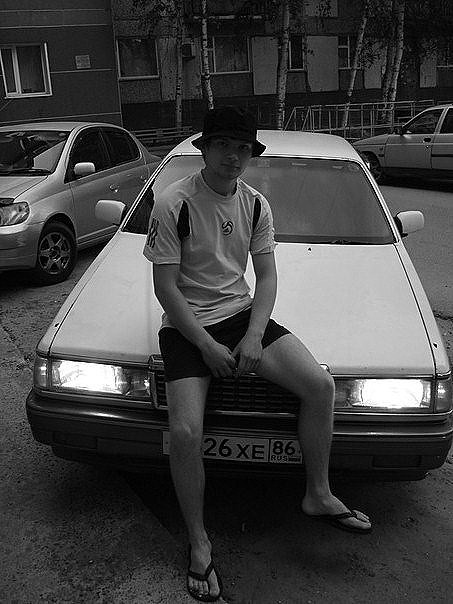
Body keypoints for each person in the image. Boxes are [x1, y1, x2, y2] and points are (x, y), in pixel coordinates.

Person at [143, 106, 371, 602]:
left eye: (243, 148)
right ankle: (199, 542)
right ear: (205, 149)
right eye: (224, 145)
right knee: (185, 432)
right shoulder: (173, 203)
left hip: (240, 315)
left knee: (320, 387)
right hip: (187, 327)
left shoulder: (255, 204)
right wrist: (205, 345)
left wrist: (252, 335)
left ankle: (318, 494)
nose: (233, 156)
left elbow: (265, 278)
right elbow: (166, 288)